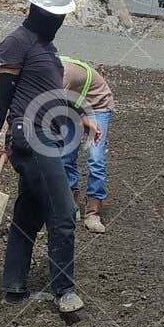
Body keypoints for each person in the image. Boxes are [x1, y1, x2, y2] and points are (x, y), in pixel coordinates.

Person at [0, 0, 100, 315]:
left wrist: (80, 113)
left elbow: (51, 93)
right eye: (54, 16)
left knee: (28, 212)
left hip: (46, 134)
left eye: (61, 17)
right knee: (63, 212)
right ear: (36, 11)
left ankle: (14, 285)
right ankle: (64, 291)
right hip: (29, 136)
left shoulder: (46, 46)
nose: (58, 22)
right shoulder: (16, 43)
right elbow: (2, 100)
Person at [60, 56, 115, 233]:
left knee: (96, 157)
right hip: (73, 105)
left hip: (97, 105)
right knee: (66, 155)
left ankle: (93, 212)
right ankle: (70, 205)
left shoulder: (62, 75)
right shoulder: (44, 71)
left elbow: (50, 107)